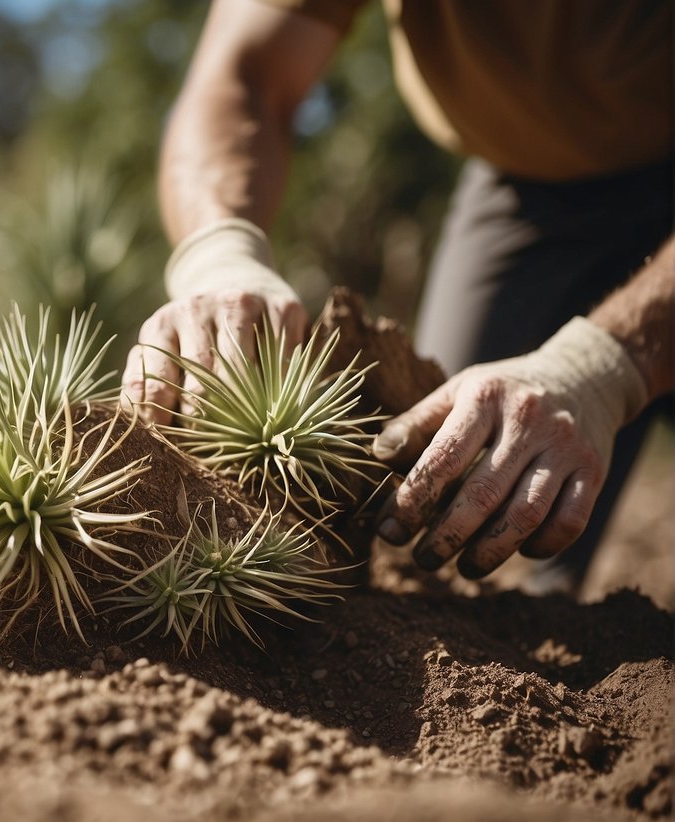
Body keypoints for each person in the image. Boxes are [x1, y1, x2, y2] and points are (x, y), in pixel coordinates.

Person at [121, 0, 673, 590]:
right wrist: (219, 254)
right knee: (470, 510)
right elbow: (244, 70)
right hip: (528, 180)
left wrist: (602, 366)